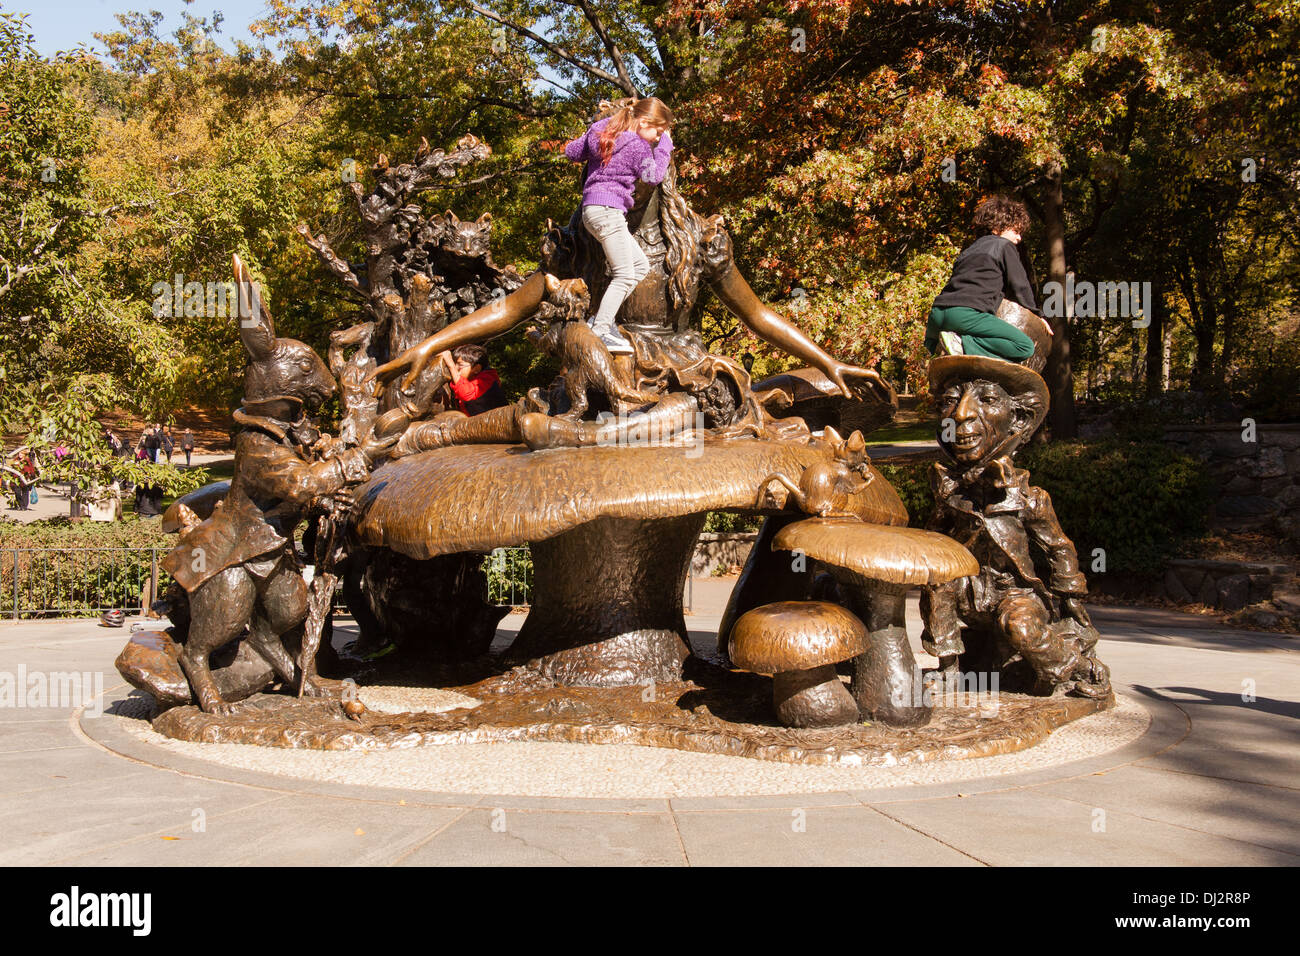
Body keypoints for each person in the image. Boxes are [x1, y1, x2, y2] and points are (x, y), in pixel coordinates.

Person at [563, 96, 675, 355]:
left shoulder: (601, 131)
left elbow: (571, 152)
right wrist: (664, 147)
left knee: (640, 266)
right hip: (608, 211)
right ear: (644, 122)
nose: (657, 138)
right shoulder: (637, 145)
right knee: (624, 273)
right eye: (657, 132)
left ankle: (602, 319)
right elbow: (653, 176)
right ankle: (601, 331)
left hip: (593, 210)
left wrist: (594, 132)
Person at [925, 195, 1052, 361]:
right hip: (965, 315)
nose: (1019, 238)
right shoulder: (1004, 246)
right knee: (1024, 347)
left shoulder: (968, 251)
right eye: (1016, 231)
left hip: (936, 315)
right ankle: (961, 344)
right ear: (997, 228)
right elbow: (1020, 285)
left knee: (937, 355)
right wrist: (1037, 315)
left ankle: (948, 346)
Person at [439, 345, 509, 415]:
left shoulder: (487, 379)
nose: (456, 369)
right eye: (455, 364)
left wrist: (451, 365)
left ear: (476, 369)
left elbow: (466, 393)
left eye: (460, 365)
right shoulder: (468, 381)